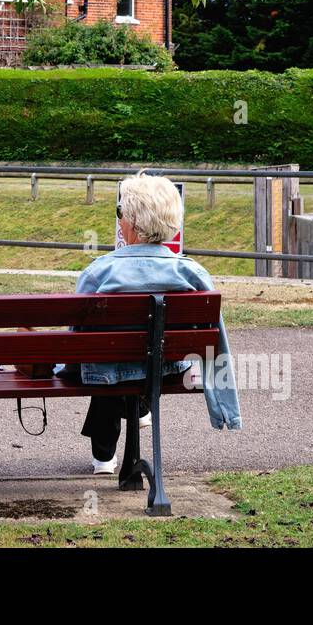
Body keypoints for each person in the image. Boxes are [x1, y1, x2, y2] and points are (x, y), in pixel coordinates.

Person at [71, 174, 242, 474]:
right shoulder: (192, 274)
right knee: (143, 353)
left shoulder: (98, 272)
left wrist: (67, 368)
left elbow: (76, 337)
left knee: (107, 359)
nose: (120, 220)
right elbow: (217, 345)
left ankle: (104, 455)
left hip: (106, 371)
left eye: (120, 213)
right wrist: (225, 411)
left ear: (132, 222)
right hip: (165, 368)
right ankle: (136, 411)